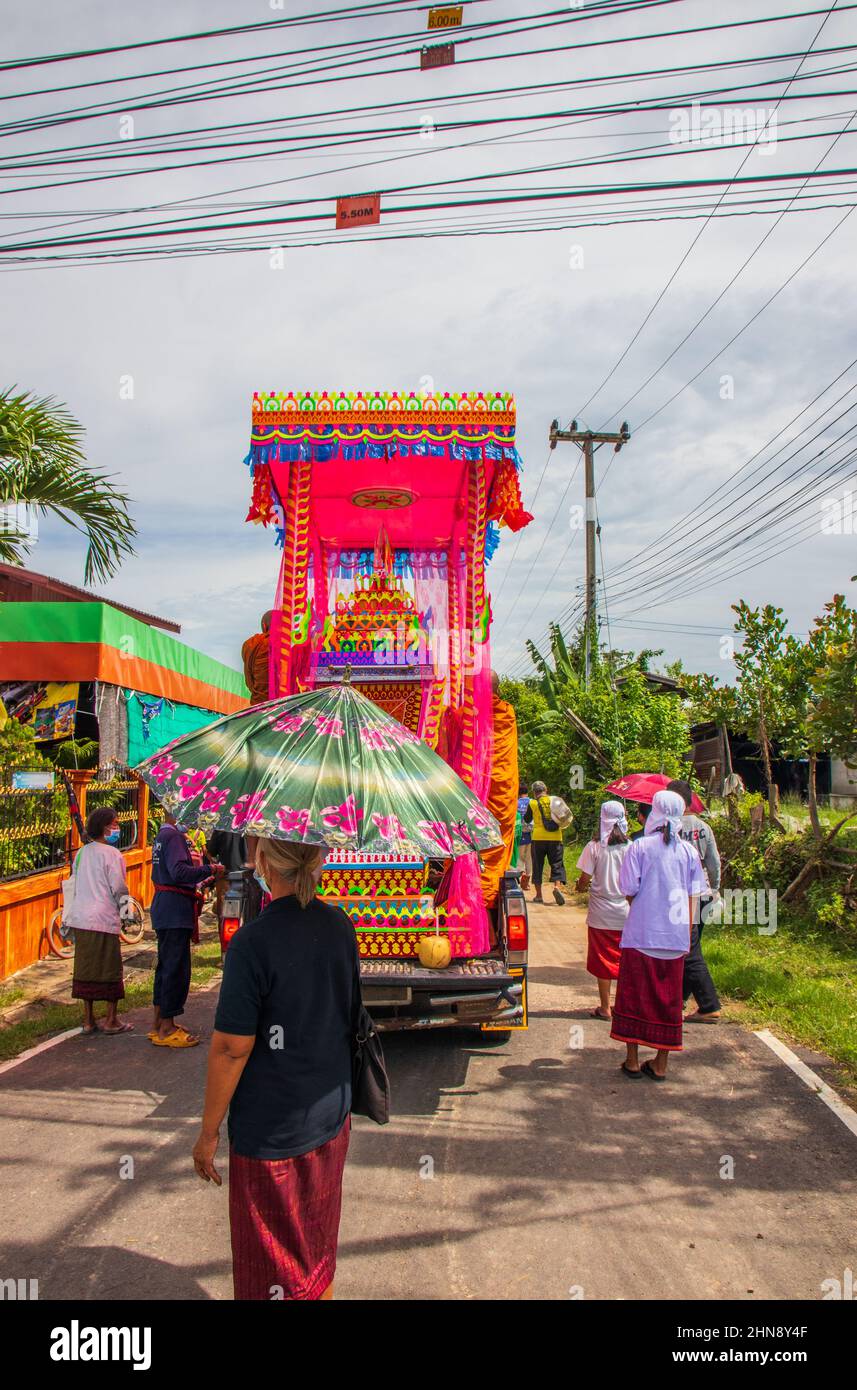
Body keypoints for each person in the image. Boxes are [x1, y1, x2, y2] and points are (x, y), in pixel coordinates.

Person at [192, 838, 360, 1302]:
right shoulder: (341, 927)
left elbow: (230, 1048)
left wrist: (208, 1133)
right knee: (316, 1246)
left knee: (269, 1268)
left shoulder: (252, 943)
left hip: (271, 1135)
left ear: (264, 862)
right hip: (330, 1119)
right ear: (321, 860)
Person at [612, 789, 707, 1081]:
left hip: (641, 934)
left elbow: (628, 889)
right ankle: (660, 1064)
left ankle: (631, 1060)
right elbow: (694, 896)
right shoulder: (689, 852)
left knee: (633, 997)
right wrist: (687, 931)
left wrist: (641, 908)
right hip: (675, 939)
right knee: (669, 1003)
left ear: (654, 811)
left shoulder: (639, 847)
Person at [149, 813, 221, 1047]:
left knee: (165, 966)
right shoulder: (174, 837)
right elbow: (179, 872)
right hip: (174, 910)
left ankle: (159, 1022)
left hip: (165, 906)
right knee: (175, 968)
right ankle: (167, 1028)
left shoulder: (162, 836)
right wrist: (210, 869)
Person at [67, 805, 133, 1035]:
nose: (117, 828)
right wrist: (127, 913)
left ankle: (88, 1019)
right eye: (114, 824)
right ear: (104, 827)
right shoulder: (113, 855)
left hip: (82, 918)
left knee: (85, 969)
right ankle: (112, 1020)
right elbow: (119, 888)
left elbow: (73, 882)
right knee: (110, 969)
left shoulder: (83, 853)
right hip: (104, 918)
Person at [666, 779, 722, 1024]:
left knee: (688, 950)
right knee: (690, 944)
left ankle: (709, 1004)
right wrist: (715, 889)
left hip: (679, 895)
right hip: (703, 894)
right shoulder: (703, 827)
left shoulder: (669, 828)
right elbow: (714, 863)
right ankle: (679, 1000)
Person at [575, 800, 631, 1020]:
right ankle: (622, 1005)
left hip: (600, 912)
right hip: (626, 911)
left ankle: (605, 1007)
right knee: (625, 958)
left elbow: (584, 878)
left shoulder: (594, 847)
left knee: (602, 960)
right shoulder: (631, 846)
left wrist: (580, 887)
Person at [479, 671, 520, 909]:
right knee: (493, 845)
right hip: (501, 798)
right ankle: (489, 910)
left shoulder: (467, 716)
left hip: (475, 795)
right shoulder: (507, 713)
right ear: (498, 688)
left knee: (473, 845)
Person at [524, 780, 567, 905]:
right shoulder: (555, 800)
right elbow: (564, 817)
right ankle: (557, 887)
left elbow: (527, 819)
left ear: (534, 792)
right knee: (557, 863)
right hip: (556, 838)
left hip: (538, 838)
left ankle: (538, 895)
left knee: (537, 866)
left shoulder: (532, 803)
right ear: (546, 789)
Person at [241, 611, 273, 706]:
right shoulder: (291, 645)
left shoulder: (251, 645)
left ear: (264, 626)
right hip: (289, 705)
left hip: (260, 707)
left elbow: (250, 681)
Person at [516, 782, 532, 889]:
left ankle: (521, 877)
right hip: (531, 833)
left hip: (519, 832)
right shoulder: (532, 802)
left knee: (520, 857)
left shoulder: (516, 803)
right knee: (529, 858)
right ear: (527, 792)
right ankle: (527, 880)